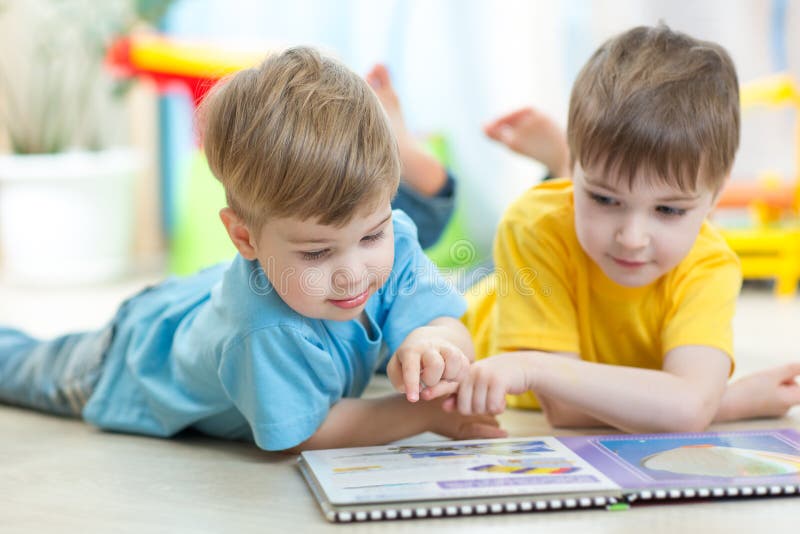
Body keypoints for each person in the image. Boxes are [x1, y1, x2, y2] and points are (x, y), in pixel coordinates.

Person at [0, 47, 507, 452]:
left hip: (194, 303)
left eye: (371, 236)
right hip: (122, 360)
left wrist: (436, 346)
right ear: (245, 237)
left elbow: (448, 325)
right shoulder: (263, 328)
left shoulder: (392, 235)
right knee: (19, 365)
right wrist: (425, 414)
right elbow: (306, 433)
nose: (353, 275)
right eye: (316, 254)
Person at [450, 25, 800, 433]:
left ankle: (566, 166)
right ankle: (559, 166)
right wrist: (726, 402)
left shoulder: (711, 265)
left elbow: (687, 406)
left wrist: (532, 366)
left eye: (668, 209)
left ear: (715, 196)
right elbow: (563, 410)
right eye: (604, 198)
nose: (632, 238)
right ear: (580, 173)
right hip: (459, 328)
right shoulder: (533, 224)